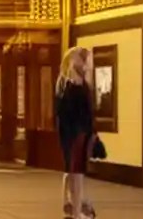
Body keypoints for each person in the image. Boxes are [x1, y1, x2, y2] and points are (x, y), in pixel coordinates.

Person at [55, 46, 97, 219]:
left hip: (70, 134)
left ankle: (71, 203)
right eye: (88, 59)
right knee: (77, 173)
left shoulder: (63, 84)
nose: (91, 64)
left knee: (71, 171)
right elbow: (81, 113)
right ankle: (76, 211)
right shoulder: (76, 86)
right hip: (77, 134)